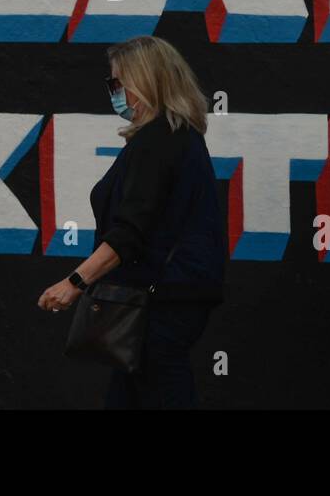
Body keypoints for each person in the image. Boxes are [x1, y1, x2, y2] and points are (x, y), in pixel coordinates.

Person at [37, 35, 226, 408]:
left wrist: (74, 283)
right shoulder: (178, 138)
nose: (114, 93)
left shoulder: (159, 141)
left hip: (158, 303)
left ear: (145, 82)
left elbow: (129, 233)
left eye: (117, 83)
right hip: (164, 299)